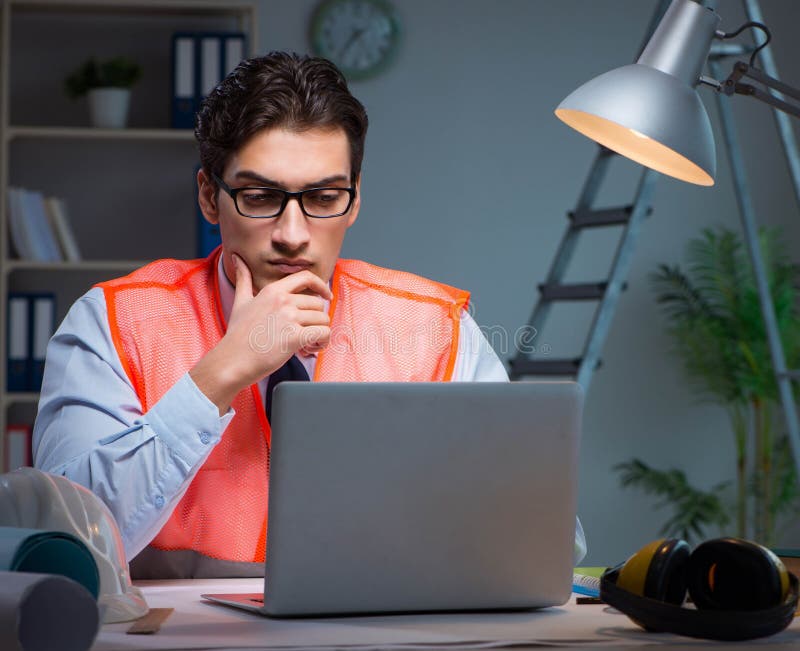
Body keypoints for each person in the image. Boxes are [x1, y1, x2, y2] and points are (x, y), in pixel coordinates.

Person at [33, 52, 584, 579]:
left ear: (356, 198)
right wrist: (222, 374)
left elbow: (547, 537)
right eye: (258, 196)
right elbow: (64, 544)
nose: (292, 236)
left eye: (323, 198)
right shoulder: (111, 322)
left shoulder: (436, 329)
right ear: (208, 196)